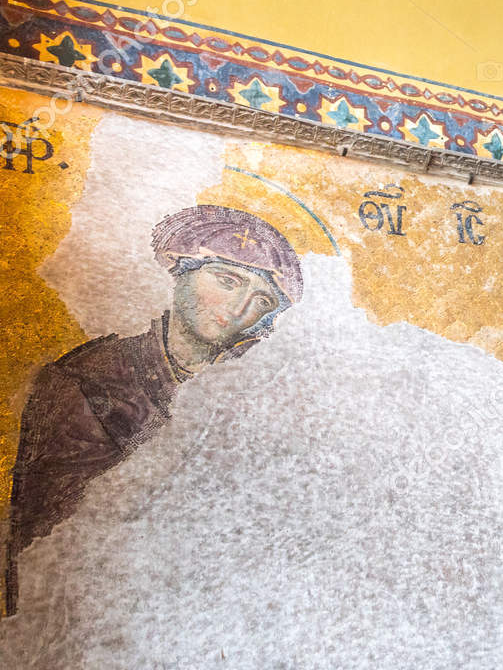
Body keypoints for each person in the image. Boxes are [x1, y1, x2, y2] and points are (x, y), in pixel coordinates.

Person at [2, 205, 302, 617]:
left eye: (261, 300)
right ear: (182, 271)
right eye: (227, 281)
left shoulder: (250, 390)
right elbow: (48, 530)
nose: (237, 310)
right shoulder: (88, 380)